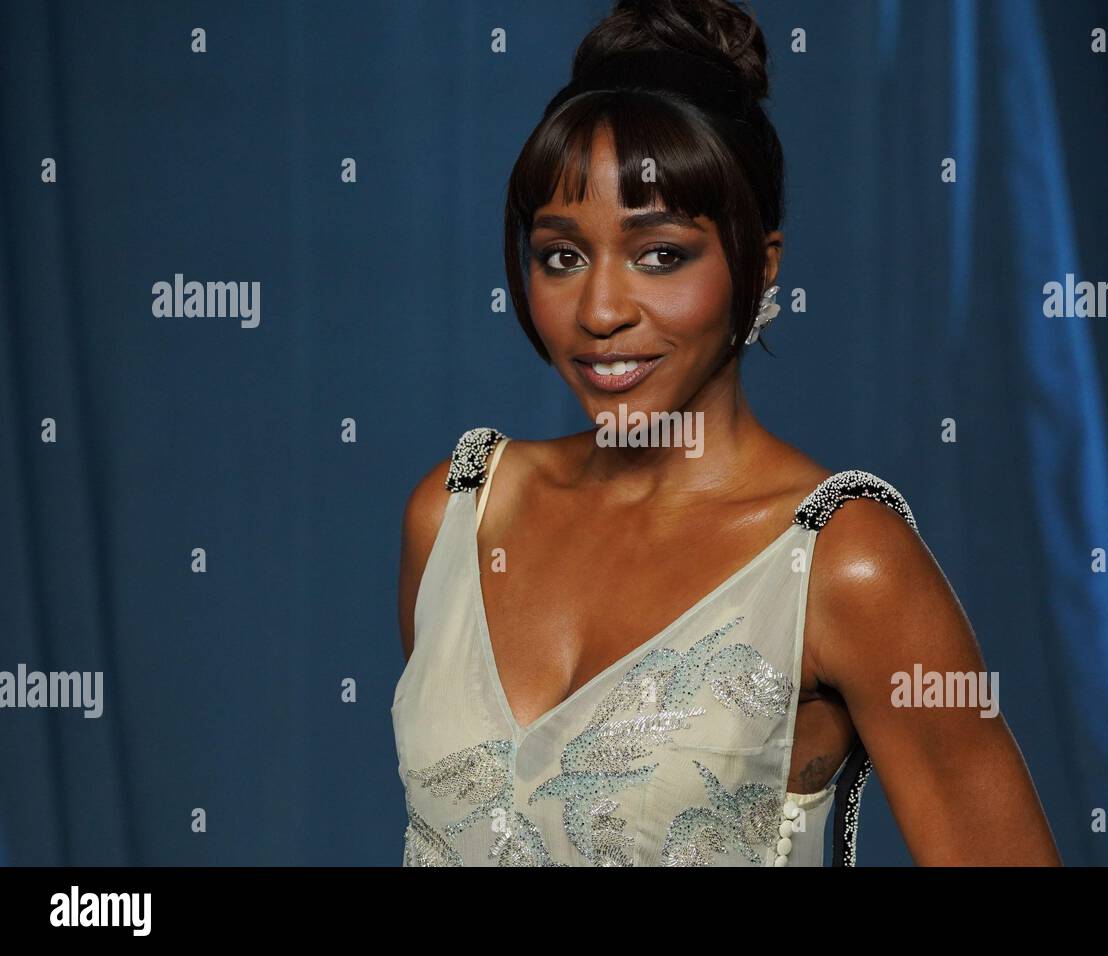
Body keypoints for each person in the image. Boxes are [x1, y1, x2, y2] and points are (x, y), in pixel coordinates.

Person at [393, 0, 1061, 866]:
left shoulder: (843, 562)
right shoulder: (456, 513)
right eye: (561, 256)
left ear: (761, 264)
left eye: (661, 254)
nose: (599, 310)